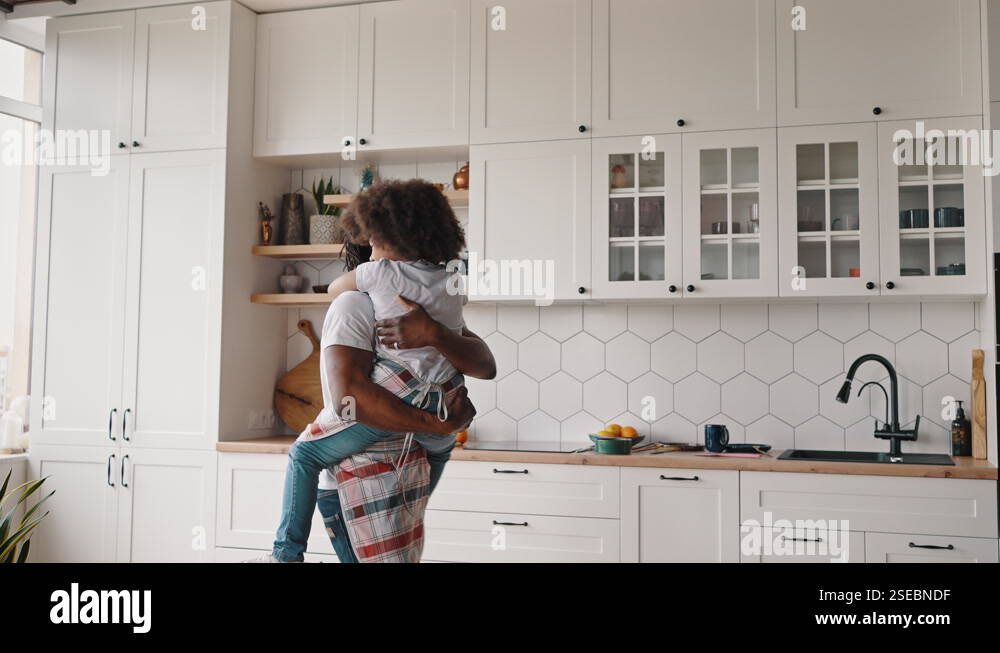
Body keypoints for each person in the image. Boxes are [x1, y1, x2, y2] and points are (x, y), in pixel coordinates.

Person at [254, 180, 491, 563]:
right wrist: (443, 425)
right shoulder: (449, 281)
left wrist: (431, 332)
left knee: (303, 456)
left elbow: (351, 403)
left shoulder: (369, 285)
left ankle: (285, 555)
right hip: (437, 408)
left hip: (377, 459)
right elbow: (483, 364)